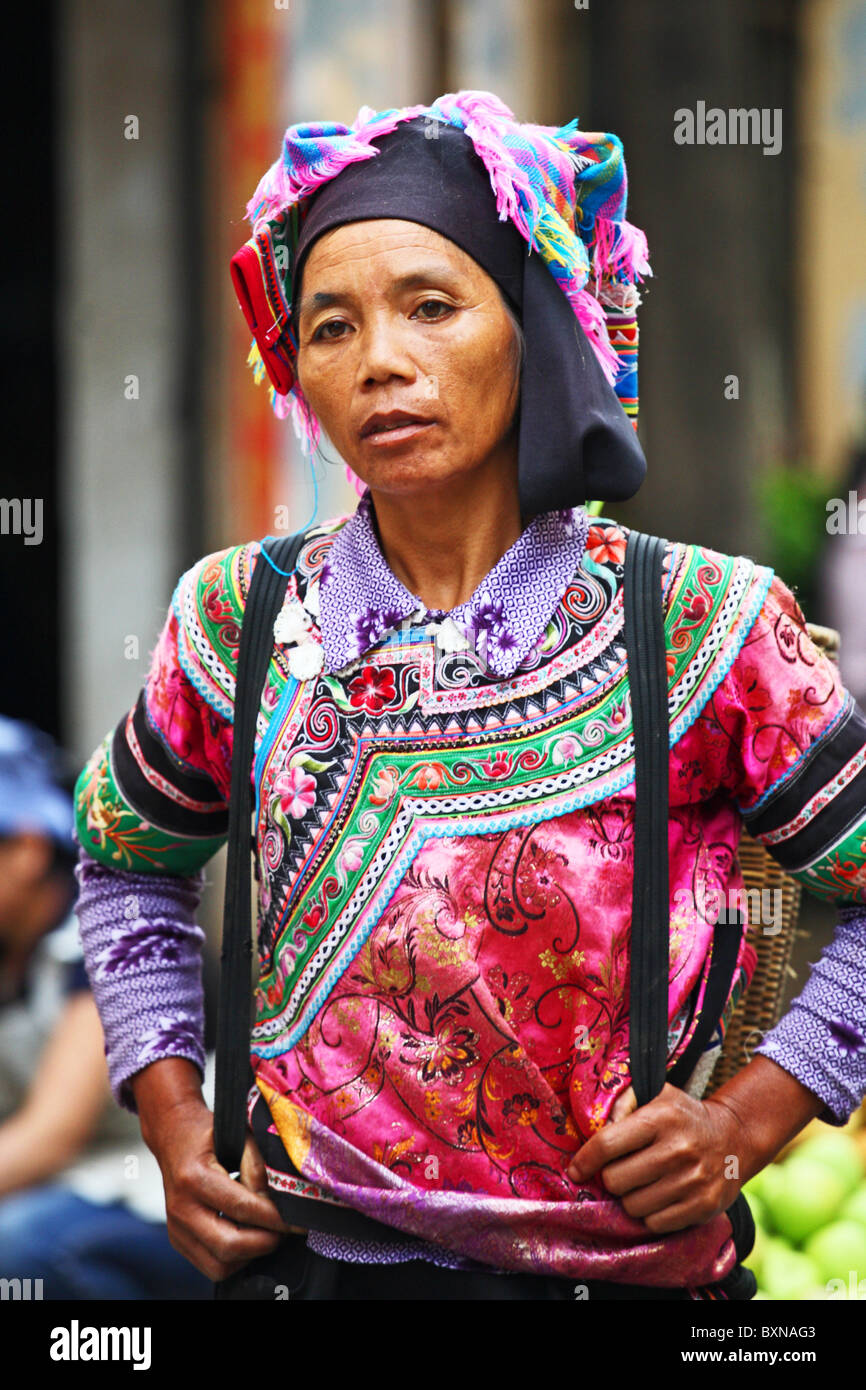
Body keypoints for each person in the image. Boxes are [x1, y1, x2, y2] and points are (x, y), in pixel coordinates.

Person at [73, 91, 866, 1301]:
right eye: (329, 325)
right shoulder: (239, 618)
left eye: (430, 308)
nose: (378, 360)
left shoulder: (698, 625)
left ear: (532, 327)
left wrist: (748, 1122)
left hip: (621, 1281)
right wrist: (175, 1120)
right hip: (312, 1271)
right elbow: (126, 861)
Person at [0, 716, 211, 1299]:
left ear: (25, 849)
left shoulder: (94, 942)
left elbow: (50, 1135)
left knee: (16, 1256)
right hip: (43, 1196)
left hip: (144, 1205)